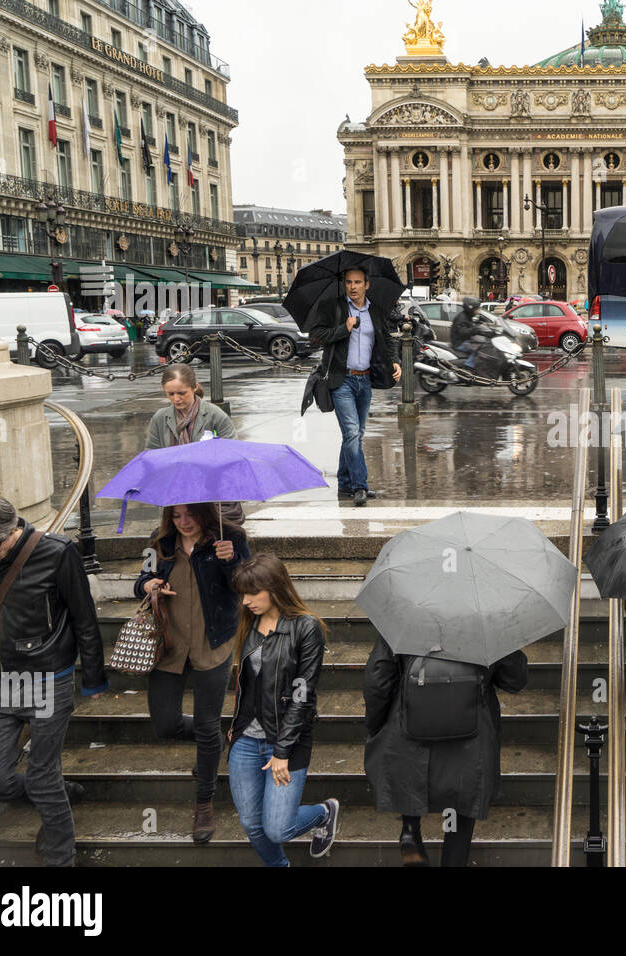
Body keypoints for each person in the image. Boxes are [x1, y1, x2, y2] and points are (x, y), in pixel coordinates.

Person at [0, 496, 108, 866]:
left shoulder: (58, 552)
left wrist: (94, 677)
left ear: (9, 535)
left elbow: (84, 618)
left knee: (41, 775)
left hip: (48, 678)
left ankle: (60, 856)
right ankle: (58, 792)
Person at [133, 503, 249, 844]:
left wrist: (232, 562)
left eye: (190, 515)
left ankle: (204, 805)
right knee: (165, 723)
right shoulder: (158, 542)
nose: (183, 523)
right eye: (176, 516)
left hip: (211, 643)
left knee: (207, 722)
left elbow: (245, 586)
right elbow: (140, 580)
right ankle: (214, 740)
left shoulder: (232, 538)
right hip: (168, 644)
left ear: (204, 513)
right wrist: (148, 585)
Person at [363, 641, 527, 867]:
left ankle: (411, 830)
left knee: (410, 770)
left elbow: (378, 680)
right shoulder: (486, 625)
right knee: (463, 803)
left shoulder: (406, 617)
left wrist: (376, 723)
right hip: (471, 738)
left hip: (412, 728)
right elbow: (515, 680)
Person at [226, 554, 339, 866]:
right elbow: (247, 684)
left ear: (275, 588)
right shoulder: (248, 624)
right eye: (242, 594)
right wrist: (236, 728)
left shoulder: (306, 628)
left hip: (287, 740)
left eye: (252, 593)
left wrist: (282, 751)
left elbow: (302, 696)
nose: (246, 601)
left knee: (278, 828)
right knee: (251, 823)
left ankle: (324, 812)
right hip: (247, 740)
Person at [306, 266, 401, 507]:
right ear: (345, 284)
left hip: (365, 379)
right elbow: (315, 336)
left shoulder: (376, 311)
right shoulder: (333, 307)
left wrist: (395, 361)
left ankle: (345, 482)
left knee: (355, 434)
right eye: (349, 282)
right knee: (351, 432)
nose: (353, 287)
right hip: (341, 380)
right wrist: (343, 329)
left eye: (358, 282)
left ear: (367, 284)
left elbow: (387, 339)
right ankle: (360, 486)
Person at [145, 364, 243, 526]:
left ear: (194, 387)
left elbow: (232, 455)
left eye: (182, 393)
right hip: (176, 496)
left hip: (212, 496)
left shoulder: (215, 415)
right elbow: (151, 457)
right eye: (170, 394)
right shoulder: (160, 418)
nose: (176, 399)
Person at [449, 296, 490, 371]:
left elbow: (471, 326)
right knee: (480, 348)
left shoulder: (467, 316)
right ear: (470, 309)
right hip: (459, 343)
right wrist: (476, 330)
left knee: (484, 344)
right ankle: (469, 367)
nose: (477, 311)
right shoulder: (462, 317)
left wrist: (481, 325)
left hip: (465, 340)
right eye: (476, 309)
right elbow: (463, 332)